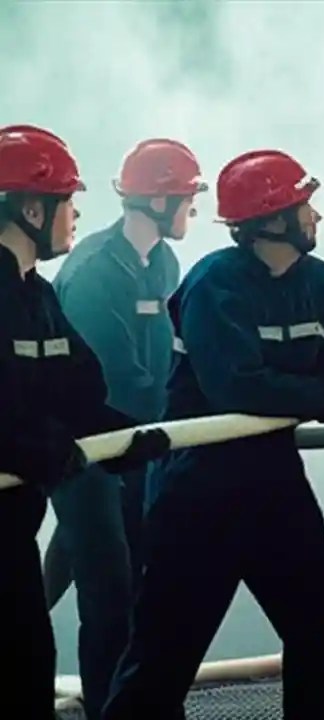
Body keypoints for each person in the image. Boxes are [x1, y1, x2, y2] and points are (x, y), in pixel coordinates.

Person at [103, 149, 324, 720]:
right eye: (304, 205)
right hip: (199, 493)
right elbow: (235, 387)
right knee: (163, 657)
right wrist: (318, 396)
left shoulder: (318, 280)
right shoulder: (215, 283)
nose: (314, 217)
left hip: (274, 481)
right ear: (272, 219)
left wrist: (318, 389)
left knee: (315, 620)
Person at [0, 124, 169, 720]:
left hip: (13, 530)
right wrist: (35, 445)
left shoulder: (37, 297)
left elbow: (80, 390)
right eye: (68, 200)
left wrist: (126, 440)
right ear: (30, 207)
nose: (75, 214)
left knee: (27, 659)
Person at [44, 138, 204, 720]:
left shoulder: (163, 263)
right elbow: (112, 384)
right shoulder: (91, 273)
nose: (192, 209)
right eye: (186, 197)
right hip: (91, 453)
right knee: (109, 598)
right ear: (159, 202)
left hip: (140, 448)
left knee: (119, 576)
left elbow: (162, 357)